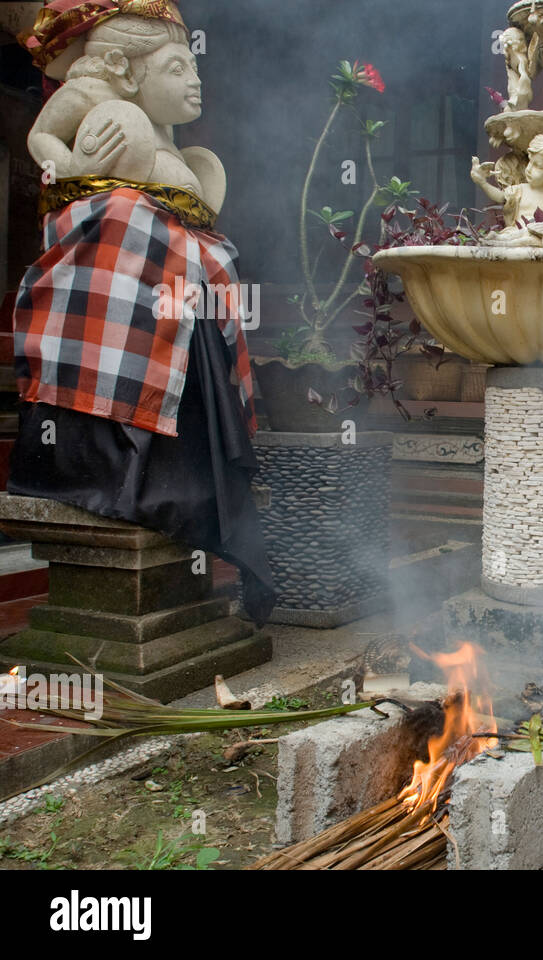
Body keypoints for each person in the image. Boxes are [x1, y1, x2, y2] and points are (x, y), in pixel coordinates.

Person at [12, 1, 274, 624]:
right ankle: (116, 467)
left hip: (184, 309)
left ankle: (184, 471)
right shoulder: (97, 101)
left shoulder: (168, 139)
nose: (195, 82)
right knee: (126, 221)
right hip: (116, 279)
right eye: (178, 69)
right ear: (125, 74)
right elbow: (40, 141)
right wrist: (72, 166)